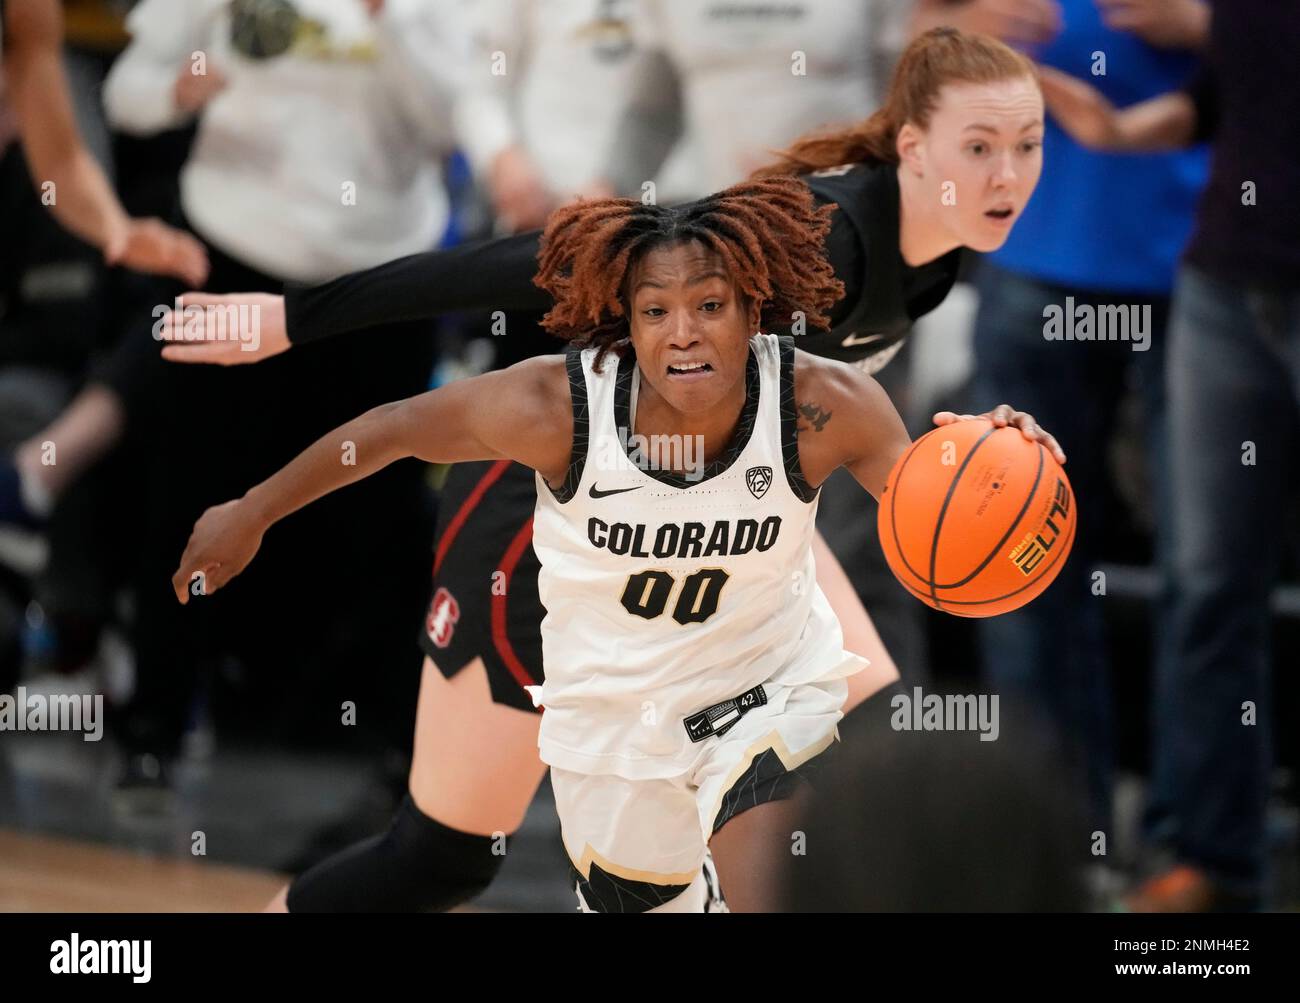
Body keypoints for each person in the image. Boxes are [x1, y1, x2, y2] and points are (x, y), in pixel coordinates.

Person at [163, 27, 1056, 912]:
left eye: (1027, 147)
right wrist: (296, 318)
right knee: (441, 857)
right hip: (552, 509)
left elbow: (886, 487)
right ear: (912, 146)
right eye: (978, 148)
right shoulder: (833, 242)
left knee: (862, 748)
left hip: (717, 526)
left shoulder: (933, 256)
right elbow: (524, 267)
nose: (1006, 174)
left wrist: (987, 463)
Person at [1039, 0, 1298, 911]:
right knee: (1207, 580)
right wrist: (1127, 126)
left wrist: (1204, 20)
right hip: (1228, 276)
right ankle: (1209, 857)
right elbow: (1240, 93)